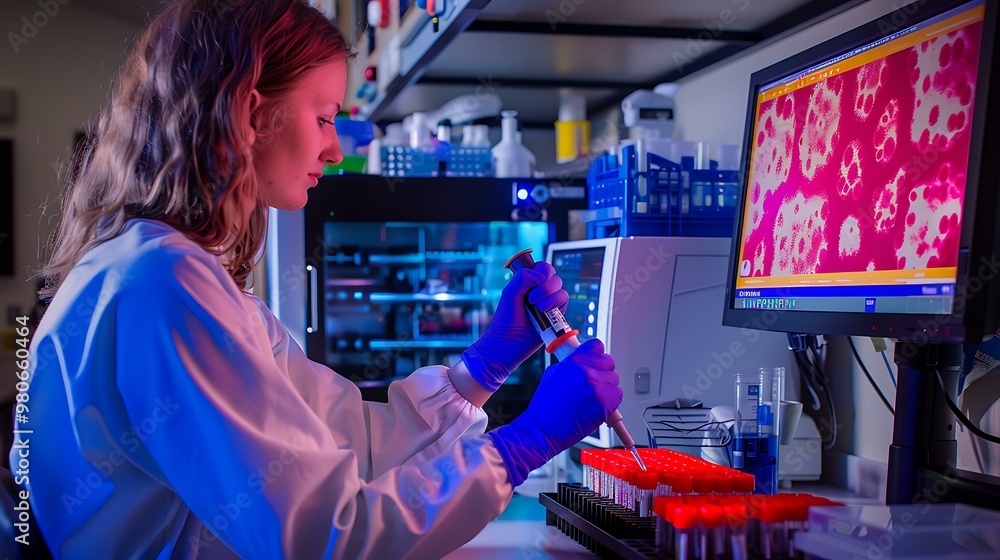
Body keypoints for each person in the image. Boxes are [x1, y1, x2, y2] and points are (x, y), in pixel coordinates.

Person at [15, 0, 623, 558]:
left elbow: (347, 440)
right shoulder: (164, 285)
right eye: (325, 116)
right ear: (250, 111)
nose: (335, 150)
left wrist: (483, 368)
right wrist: (523, 445)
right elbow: (323, 535)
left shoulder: (178, 274)